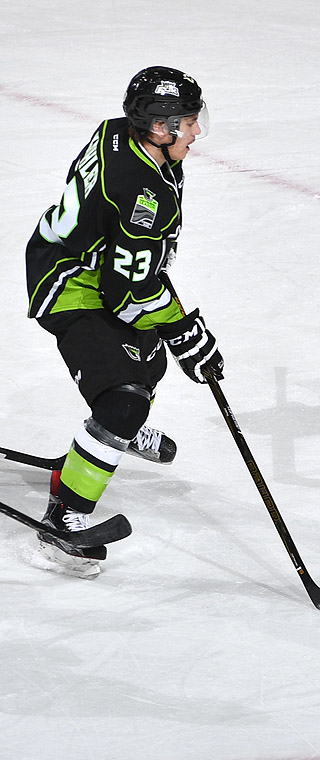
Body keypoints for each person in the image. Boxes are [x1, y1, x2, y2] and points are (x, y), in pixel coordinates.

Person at [25, 66, 225, 578]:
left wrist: (172, 331)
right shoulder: (143, 195)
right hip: (69, 283)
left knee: (148, 358)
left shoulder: (121, 132)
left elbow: (135, 271)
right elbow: (126, 293)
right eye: (188, 121)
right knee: (123, 399)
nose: (196, 131)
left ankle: (115, 433)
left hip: (84, 261)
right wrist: (186, 334)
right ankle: (63, 520)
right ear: (160, 127)